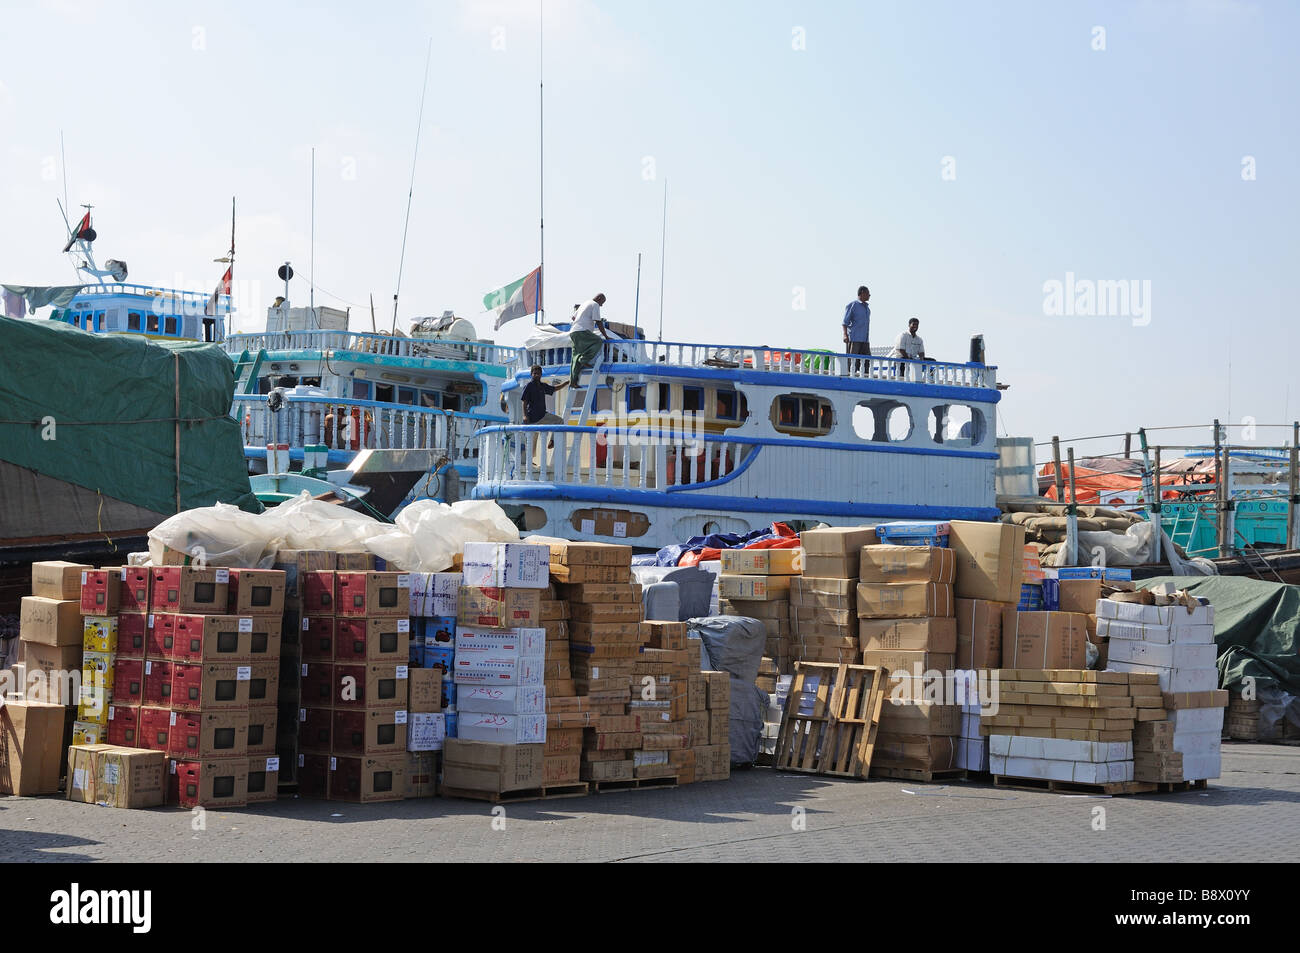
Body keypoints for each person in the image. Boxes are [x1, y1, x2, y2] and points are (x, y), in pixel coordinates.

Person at [569, 293, 609, 389]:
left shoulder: (584, 303)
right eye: (602, 302)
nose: (601, 305)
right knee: (598, 341)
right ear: (599, 298)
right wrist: (606, 336)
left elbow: (573, 317)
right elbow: (598, 322)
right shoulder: (594, 304)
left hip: (573, 332)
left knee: (575, 358)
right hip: (582, 331)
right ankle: (584, 359)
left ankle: (573, 382)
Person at [842, 286, 871, 356]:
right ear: (862, 293)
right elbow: (845, 322)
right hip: (854, 339)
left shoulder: (867, 309)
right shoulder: (853, 305)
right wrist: (845, 335)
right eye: (868, 294)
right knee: (852, 361)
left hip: (865, 340)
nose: (869, 296)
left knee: (867, 362)